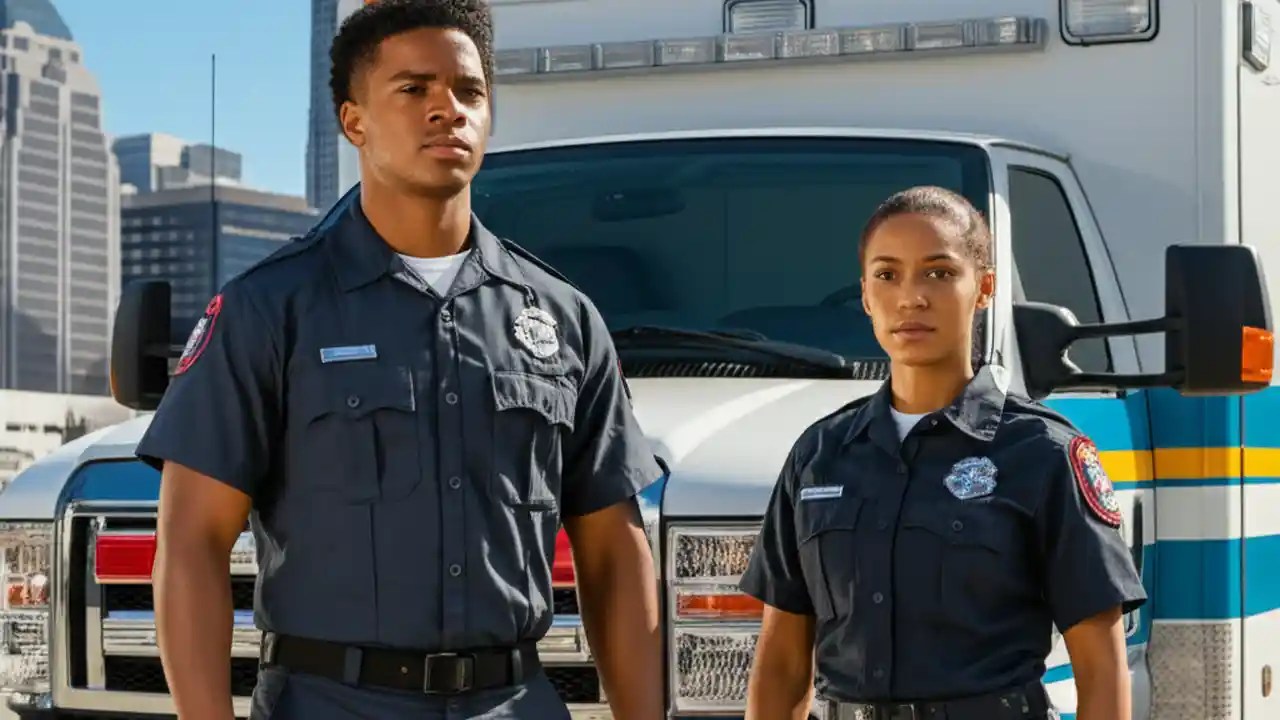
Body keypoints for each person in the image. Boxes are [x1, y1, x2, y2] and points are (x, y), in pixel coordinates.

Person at [134, 1, 665, 718]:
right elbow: (192, 541)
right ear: (354, 121)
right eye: (414, 90)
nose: (448, 109)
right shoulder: (270, 310)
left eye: (469, 91)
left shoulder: (565, 320)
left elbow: (612, 552)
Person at [738, 186, 1146, 720]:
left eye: (939, 272)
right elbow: (783, 662)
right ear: (865, 295)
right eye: (887, 275)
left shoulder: (1043, 454)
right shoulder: (820, 454)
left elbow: (1101, 668)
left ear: (985, 288)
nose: (912, 297)